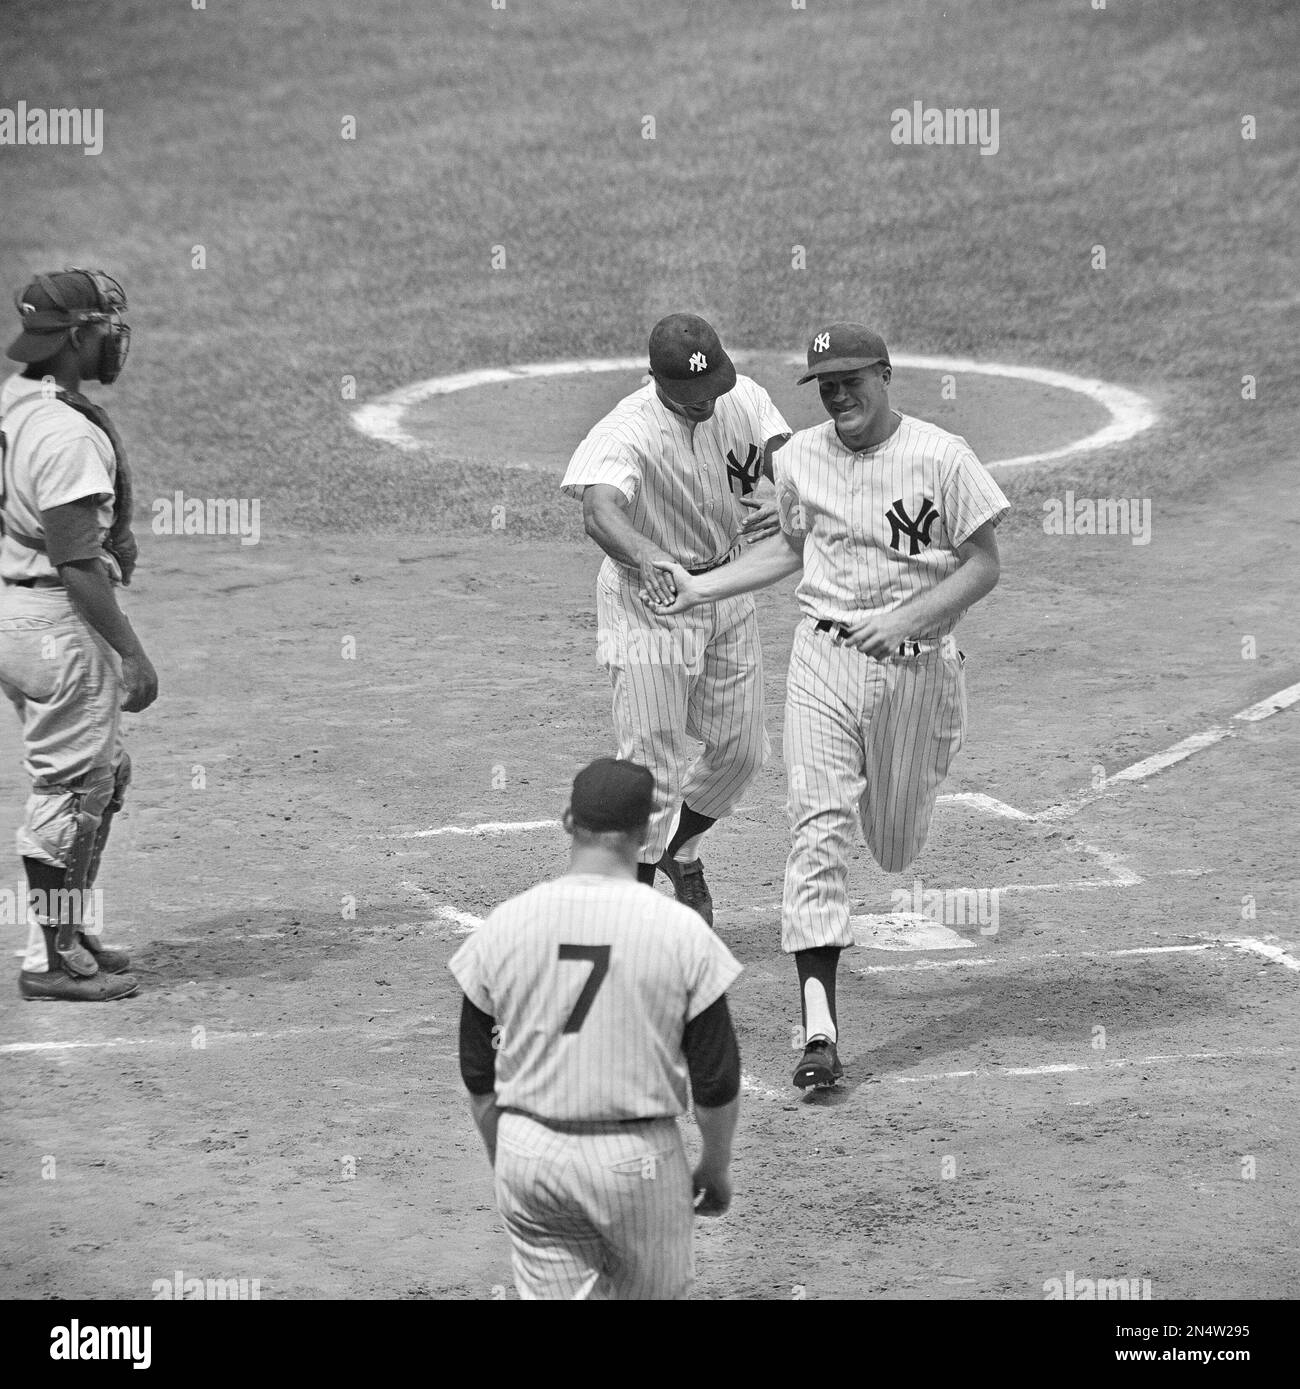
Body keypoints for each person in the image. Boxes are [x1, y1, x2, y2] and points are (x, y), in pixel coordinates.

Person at [646, 323, 1009, 1090]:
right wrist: (699, 584)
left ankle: (894, 786)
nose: (839, 395)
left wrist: (909, 620)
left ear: (884, 373)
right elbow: (789, 548)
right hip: (823, 661)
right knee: (816, 829)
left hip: (920, 675)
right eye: (826, 384)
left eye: (852, 379)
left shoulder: (943, 457)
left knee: (896, 844)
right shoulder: (800, 457)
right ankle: (819, 1033)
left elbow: (984, 564)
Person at [448, 757, 742, 1299]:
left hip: (531, 1151)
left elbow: (479, 1075)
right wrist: (715, 1168)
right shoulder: (682, 932)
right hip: (636, 1163)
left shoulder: (507, 925)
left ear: (567, 822)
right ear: (649, 828)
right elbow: (717, 1080)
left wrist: (511, 1160)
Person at [560, 313, 791, 924]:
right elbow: (599, 511)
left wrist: (796, 499)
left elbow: (791, 463)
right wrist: (652, 557)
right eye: (692, 402)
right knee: (652, 762)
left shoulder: (741, 399)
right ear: (657, 382)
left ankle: (677, 847)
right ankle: (634, 924)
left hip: (725, 587)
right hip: (650, 604)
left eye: (714, 390)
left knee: (743, 752)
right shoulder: (627, 430)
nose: (708, 408)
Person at [0, 267, 158, 1001]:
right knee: (69, 790)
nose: (112, 339)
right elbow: (76, 561)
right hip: (58, 626)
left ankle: (66, 930)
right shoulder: (65, 434)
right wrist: (131, 651)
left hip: (15, 614)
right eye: (100, 327)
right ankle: (49, 961)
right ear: (71, 337)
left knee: (101, 776)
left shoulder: (17, 402)